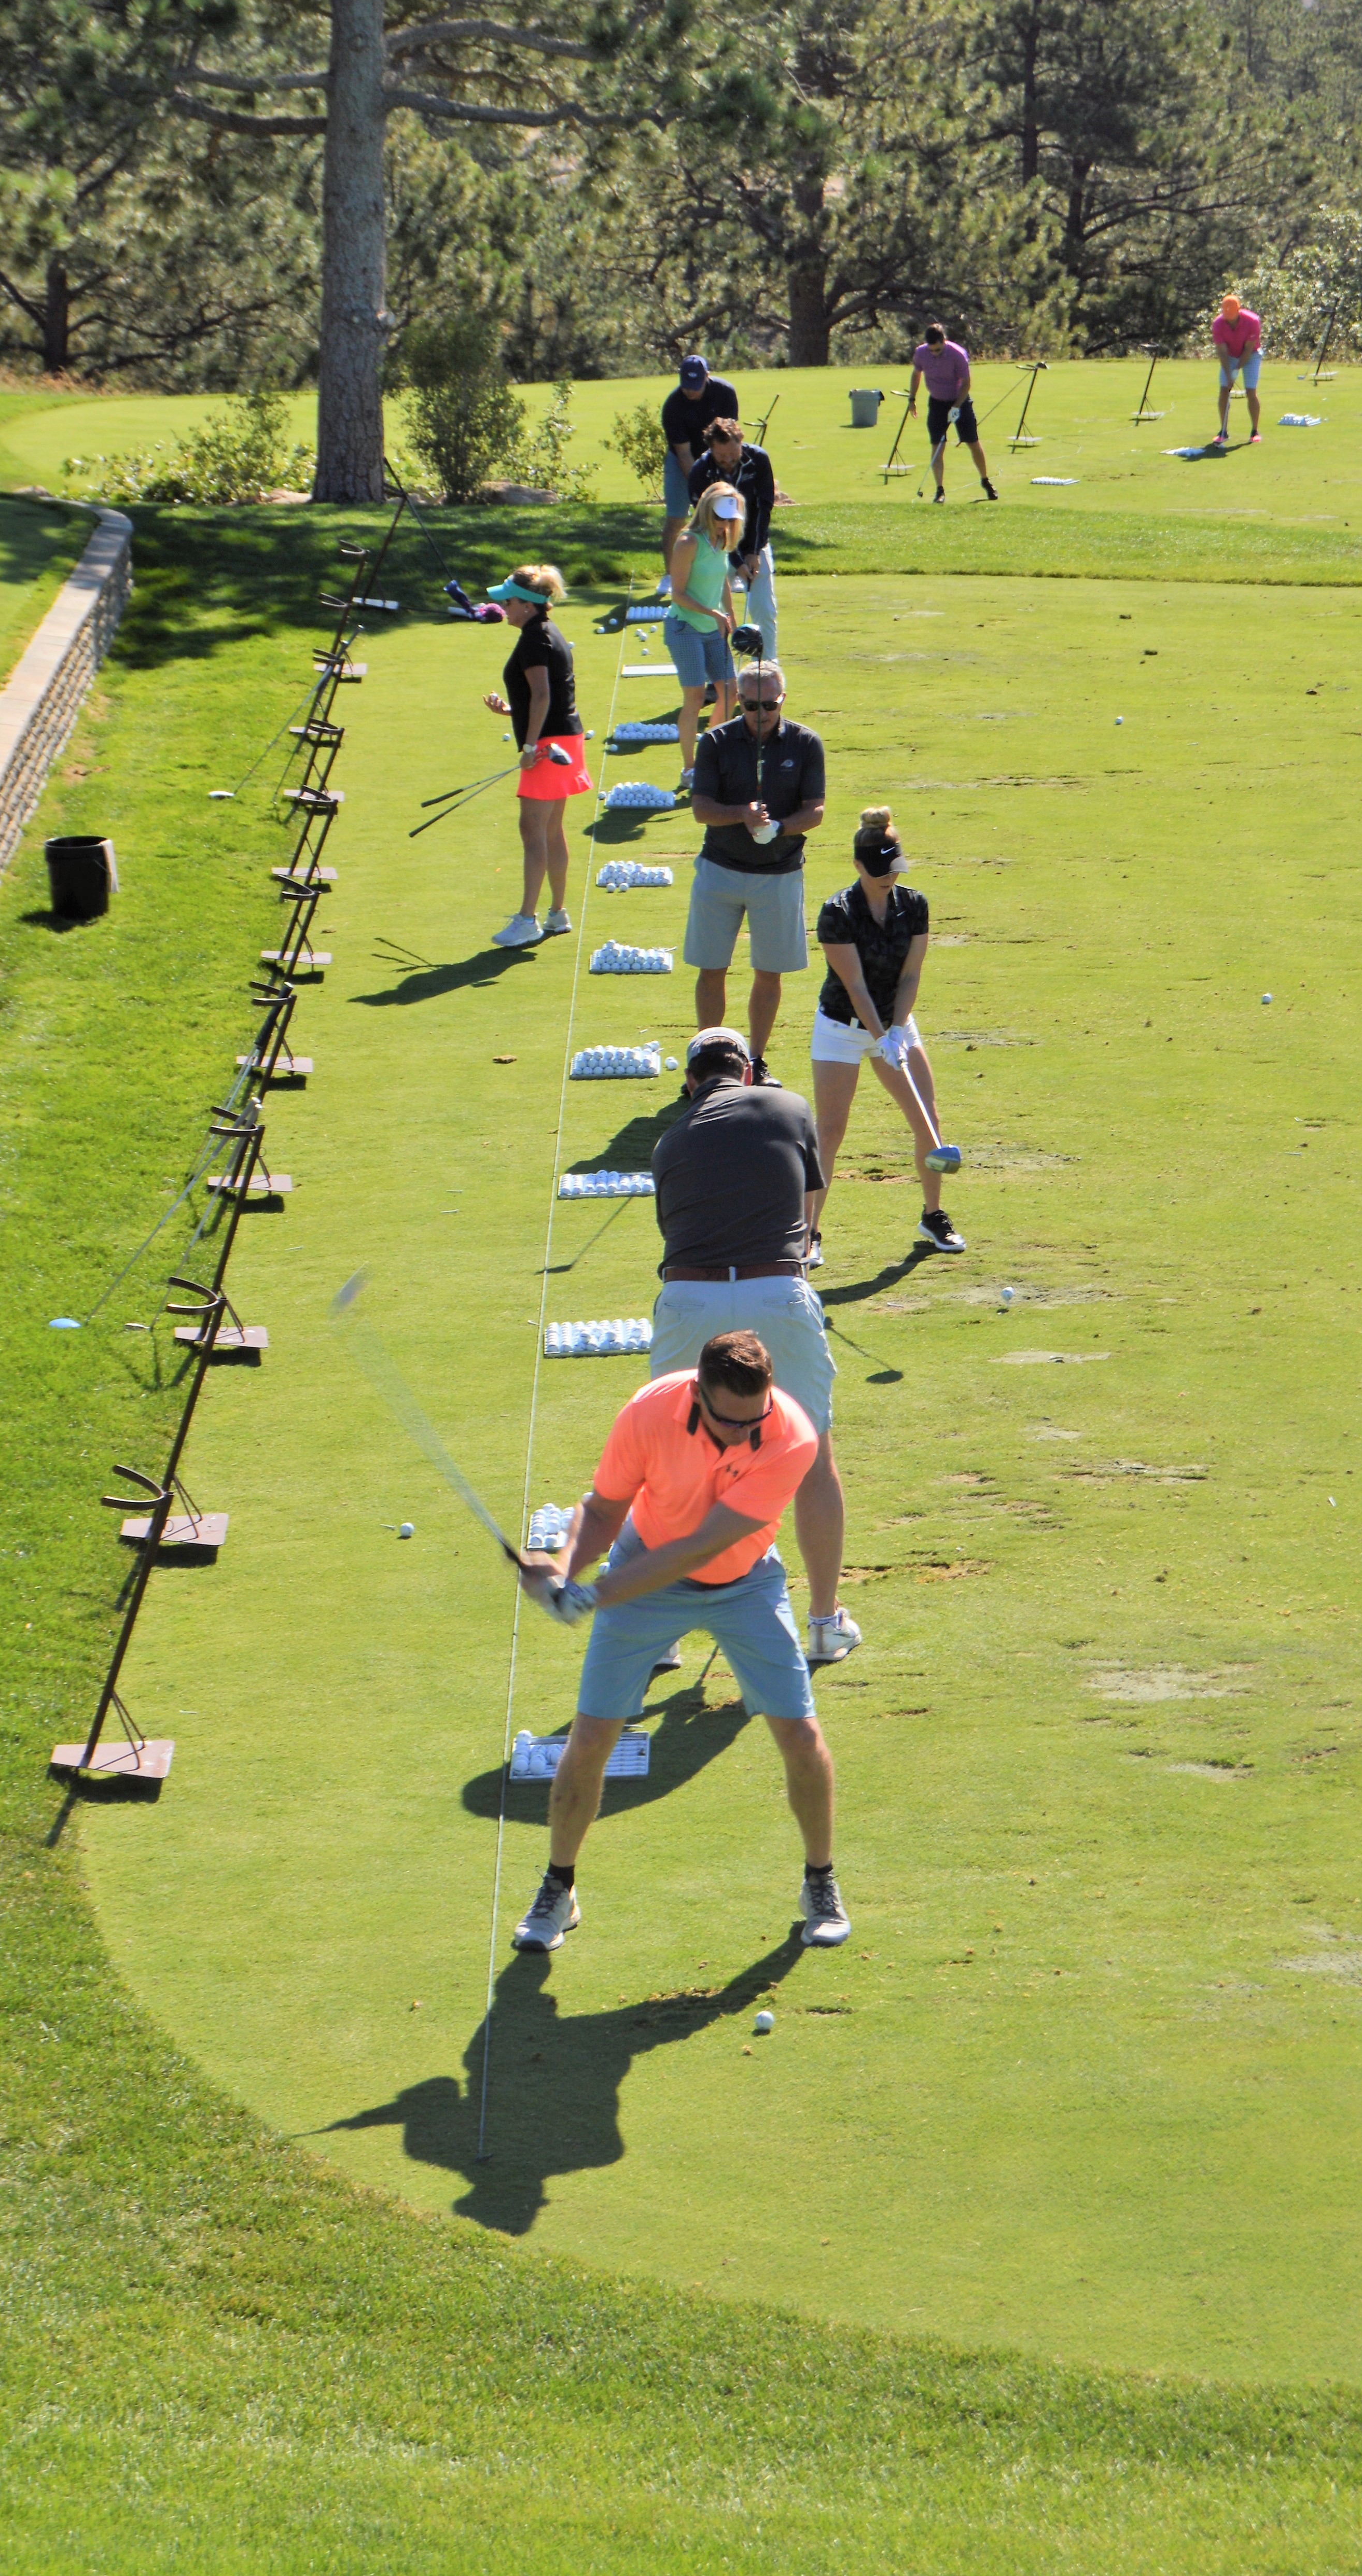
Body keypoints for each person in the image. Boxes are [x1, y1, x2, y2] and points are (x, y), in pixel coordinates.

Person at [510, 1329, 851, 1955]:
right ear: (697, 1395)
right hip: (645, 1569)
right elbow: (607, 1508)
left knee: (801, 1734)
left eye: (756, 1419)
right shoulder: (648, 1410)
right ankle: (559, 1888)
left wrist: (595, 1595)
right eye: (728, 1423)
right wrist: (564, 1567)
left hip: (744, 1581)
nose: (744, 1434)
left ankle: (820, 1881)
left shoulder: (790, 1434)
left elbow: (702, 1545)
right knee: (590, 1737)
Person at [649, 1024, 860, 1662]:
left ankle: (661, 1631)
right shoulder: (789, 1105)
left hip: (690, 1299)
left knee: (675, 1466)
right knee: (812, 1458)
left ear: (690, 1083)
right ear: (746, 1071)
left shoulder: (667, 1143)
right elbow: (806, 1192)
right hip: (777, 1290)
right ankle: (823, 1623)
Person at [808, 806, 963, 1259]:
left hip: (896, 1021)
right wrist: (880, 1037)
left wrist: (897, 1030)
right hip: (841, 1026)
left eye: (892, 868)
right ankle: (807, 1234)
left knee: (928, 1121)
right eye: (878, 870)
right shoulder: (836, 913)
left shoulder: (914, 905)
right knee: (831, 1130)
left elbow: (911, 975)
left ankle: (933, 1216)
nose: (887, 877)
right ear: (858, 866)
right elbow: (854, 984)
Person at [685, 660, 825, 1068]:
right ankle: (708, 1062)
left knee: (769, 972)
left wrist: (779, 827)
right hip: (720, 870)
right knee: (712, 968)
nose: (760, 714)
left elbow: (815, 810)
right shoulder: (714, 742)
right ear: (738, 702)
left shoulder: (805, 743)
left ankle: (756, 1061)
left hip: (779, 873)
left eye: (769, 705)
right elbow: (701, 809)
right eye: (750, 705)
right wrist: (742, 815)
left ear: (782, 700)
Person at [479, 567, 590, 948]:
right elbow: (544, 697)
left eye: (508, 602)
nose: (503, 607)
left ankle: (527, 920)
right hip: (565, 741)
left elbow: (543, 696)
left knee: (532, 831)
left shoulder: (532, 640)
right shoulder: (546, 632)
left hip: (546, 745)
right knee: (551, 829)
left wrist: (528, 748)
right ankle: (557, 913)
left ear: (527, 605)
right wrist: (513, 711)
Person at [687, 414, 784, 662]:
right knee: (713, 612)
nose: (729, 461)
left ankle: (766, 674)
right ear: (711, 449)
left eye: (734, 455)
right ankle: (717, 677)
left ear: (741, 443)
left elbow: (765, 507)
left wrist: (753, 552)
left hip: (755, 542)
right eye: (723, 458)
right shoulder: (701, 472)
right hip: (716, 547)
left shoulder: (758, 460)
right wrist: (738, 562)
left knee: (764, 611)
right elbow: (711, 525)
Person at [664, 482, 743, 786]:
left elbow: (722, 581)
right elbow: (678, 594)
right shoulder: (688, 542)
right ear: (708, 511)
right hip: (684, 628)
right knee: (695, 698)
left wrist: (731, 617)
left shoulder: (720, 540)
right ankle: (689, 769)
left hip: (712, 629)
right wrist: (713, 614)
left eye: (729, 519)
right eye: (721, 517)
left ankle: (711, 755)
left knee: (731, 693)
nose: (725, 524)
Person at [659, 354, 739, 571]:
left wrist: (721, 478)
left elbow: (728, 438)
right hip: (681, 462)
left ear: (707, 376)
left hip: (720, 456)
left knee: (726, 514)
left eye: (696, 385)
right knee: (676, 519)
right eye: (686, 385)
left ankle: (732, 570)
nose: (691, 391)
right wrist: (703, 491)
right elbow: (684, 455)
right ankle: (670, 575)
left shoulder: (725, 394)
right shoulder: (673, 407)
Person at [905, 322, 996, 503]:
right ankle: (940, 491)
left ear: (944, 341)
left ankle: (986, 482)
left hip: (960, 401)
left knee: (972, 442)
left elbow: (966, 383)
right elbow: (916, 375)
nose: (934, 354)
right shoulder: (921, 353)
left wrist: (956, 407)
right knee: (938, 446)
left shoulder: (957, 354)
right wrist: (912, 399)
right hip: (937, 403)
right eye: (932, 351)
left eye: (938, 350)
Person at [1210, 292, 1262, 445]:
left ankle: (1254, 431)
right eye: (1227, 316)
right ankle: (1223, 431)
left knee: (1251, 391)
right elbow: (1222, 352)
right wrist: (1229, 375)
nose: (1230, 320)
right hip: (1230, 356)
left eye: (1232, 316)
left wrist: (1236, 370)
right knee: (1223, 390)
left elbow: (1248, 350)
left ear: (1239, 310)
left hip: (1252, 355)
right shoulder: (1218, 324)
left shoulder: (1253, 321)